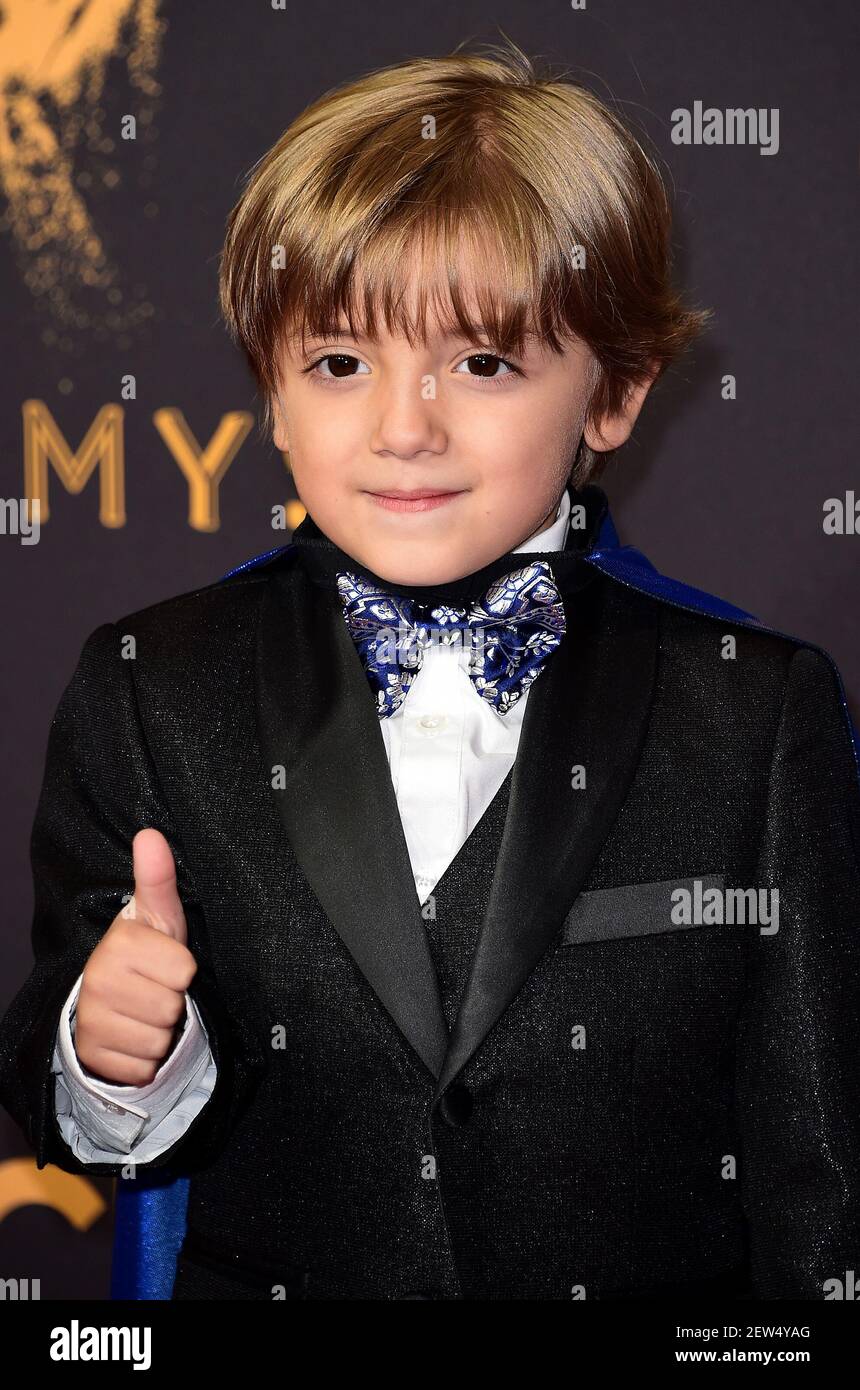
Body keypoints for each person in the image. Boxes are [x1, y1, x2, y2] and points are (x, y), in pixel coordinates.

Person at [1, 40, 858, 1301]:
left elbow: (818, 1164)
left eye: (483, 362)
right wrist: (113, 1053)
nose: (404, 427)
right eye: (340, 363)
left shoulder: (752, 705)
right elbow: (65, 1077)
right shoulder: (151, 683)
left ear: (612, 394)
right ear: (274, 397)